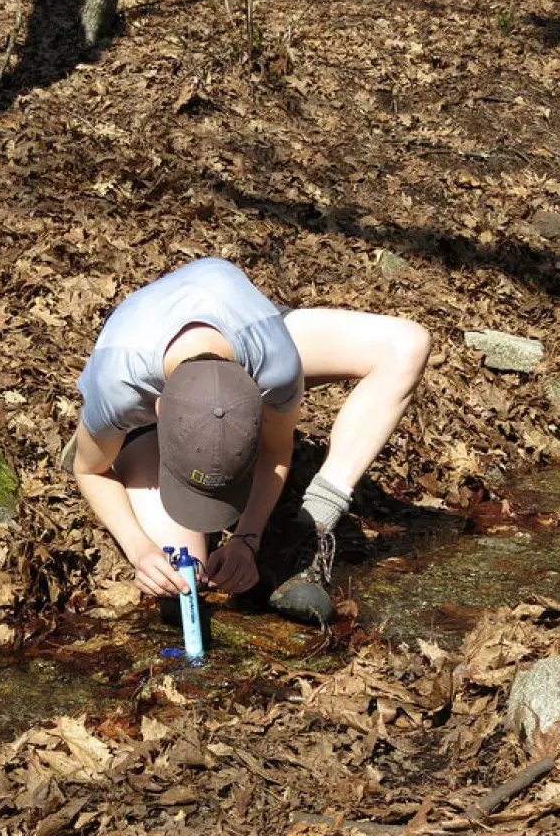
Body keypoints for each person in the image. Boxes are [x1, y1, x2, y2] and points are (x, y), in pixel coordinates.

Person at [64, 257, 430, 619]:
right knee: (184, 578)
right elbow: (90, 471)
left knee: (407, 345)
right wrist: (139, 549)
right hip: (150, 366)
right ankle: (112, 438)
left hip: (248, 330)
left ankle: (307, 528)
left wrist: (246, 539)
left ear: (259, 404)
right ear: (158, 409)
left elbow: (275, 451)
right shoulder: (119, 387)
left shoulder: (276, 366)